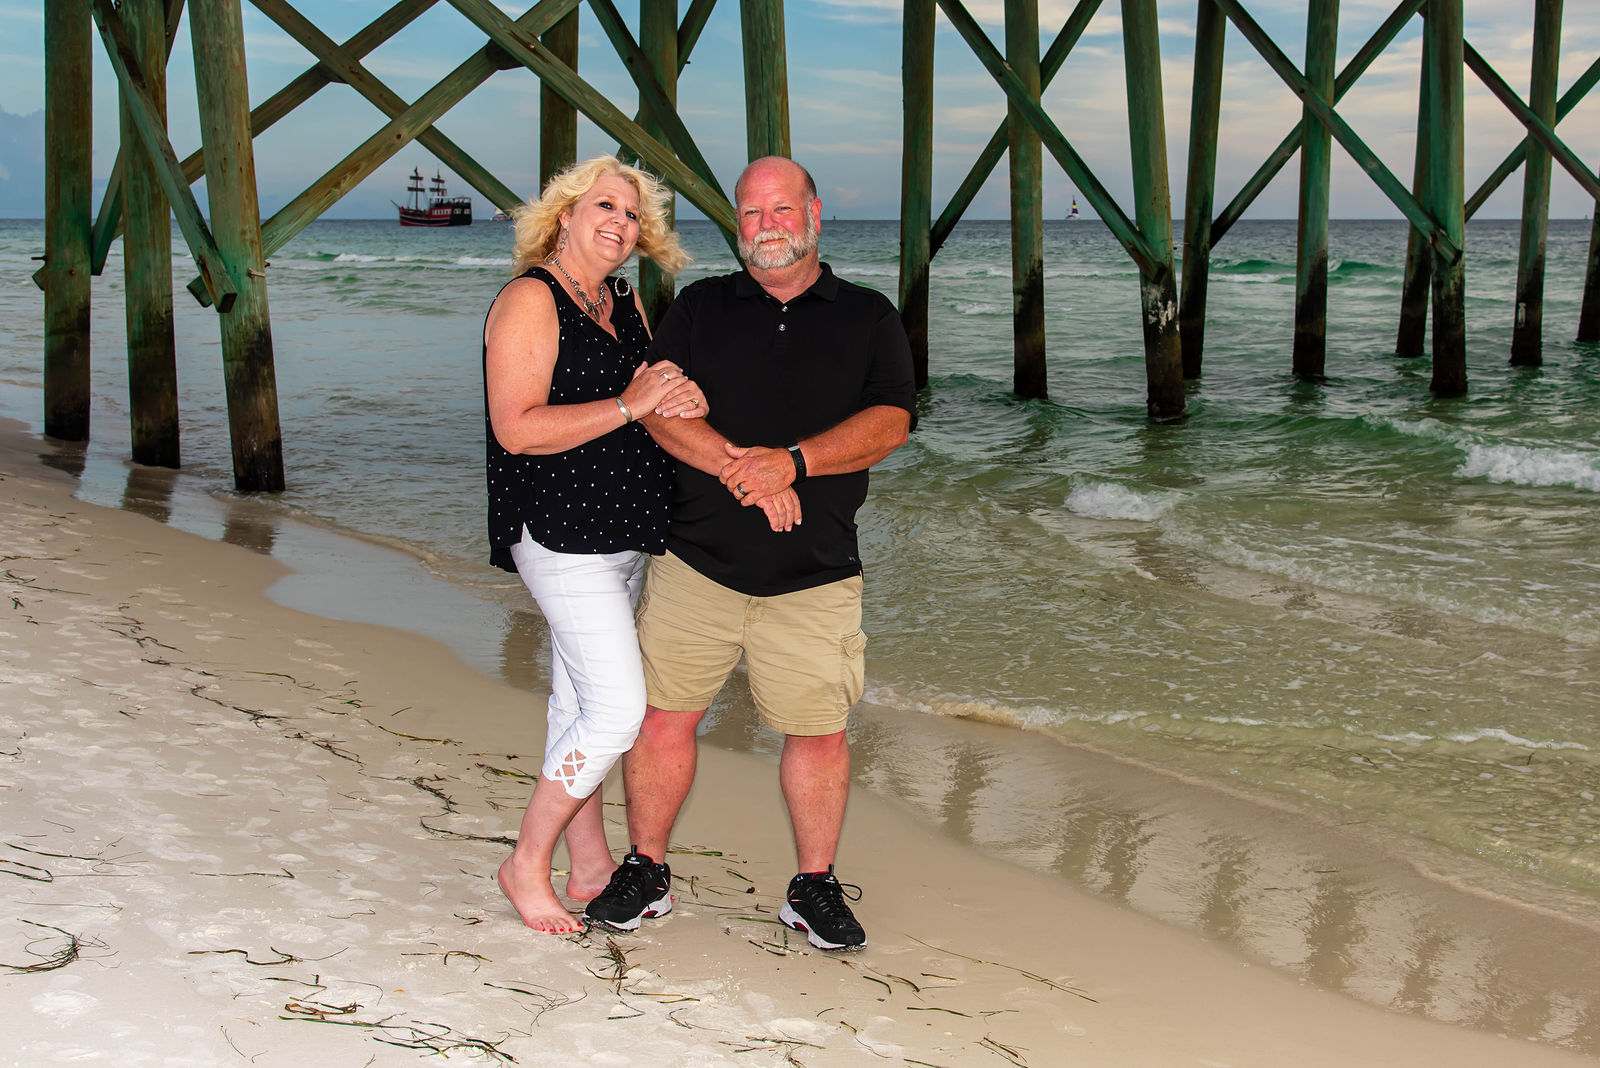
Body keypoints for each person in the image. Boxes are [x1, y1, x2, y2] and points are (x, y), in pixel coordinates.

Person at [581, 156, 917, 950]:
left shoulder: (868, 316)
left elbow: (891, 423)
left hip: (817, 572)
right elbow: (658, 411)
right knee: (663, 720)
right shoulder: (700, 307)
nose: (767, 226)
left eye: (780, 210)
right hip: (695, 561)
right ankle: (647, 868)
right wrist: (748, 467)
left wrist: (791, 462)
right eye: (751, 214)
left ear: (815, 212)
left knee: (817, 731)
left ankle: (813, 885)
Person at [484, 155, 708, 934]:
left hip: (618, 531)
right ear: (566, 216)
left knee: (578, 698)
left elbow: (648, 393)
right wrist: (627, 403)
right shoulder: (528, 299)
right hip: (557, 532)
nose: (621, 223)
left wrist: (680, 394)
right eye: (606, 206)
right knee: (617, 710)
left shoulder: (621, 297)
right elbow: (517, 428)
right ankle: (525, 860)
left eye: (634, 215)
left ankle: (588, 862)